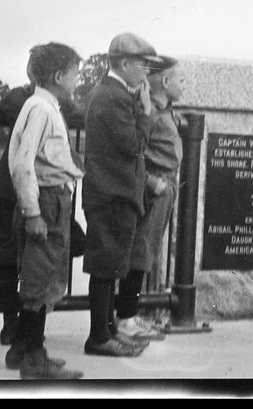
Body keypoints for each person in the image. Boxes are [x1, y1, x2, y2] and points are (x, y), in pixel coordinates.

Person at [80, 32, 167, 357]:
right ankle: (98, 337)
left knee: (112, 265)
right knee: (105, 269)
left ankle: (109, 331)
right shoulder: (113, 97)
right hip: (112, 195)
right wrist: (145, 111)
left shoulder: (110, 93)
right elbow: (134, 145)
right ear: (125, 63)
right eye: (143, 64)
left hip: (114, 193)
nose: (147, 71)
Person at [2, 42, 85, 380]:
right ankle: (35, 359)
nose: (77, 80)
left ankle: (22, 346)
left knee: (44, 273)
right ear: (57, 76)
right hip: (46, 201)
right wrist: (33, 212)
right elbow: (23, 164)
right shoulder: (41, 109)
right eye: (74, 74)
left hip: (52, 199)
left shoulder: (43, 105)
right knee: (42, 279)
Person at [0, 86, 85, 347]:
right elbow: (78, 114)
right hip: (33, 190)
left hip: (14, 188)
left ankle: (14, 327)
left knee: (8, 256)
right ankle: (23, 333)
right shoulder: (47, 104)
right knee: (39, 258)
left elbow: (2, 105)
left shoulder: (21, 99)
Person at [112, 58, 186, 342]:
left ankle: (129, 315)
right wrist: (151, 182)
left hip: (163, 186)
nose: (185, 87)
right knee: (139, 251)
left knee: (146, 250)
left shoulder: (164, 111)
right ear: (165, 83)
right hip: (152, 186)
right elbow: (131, 153)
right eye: (181, 81)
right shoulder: (150, 112)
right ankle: (125, 318)